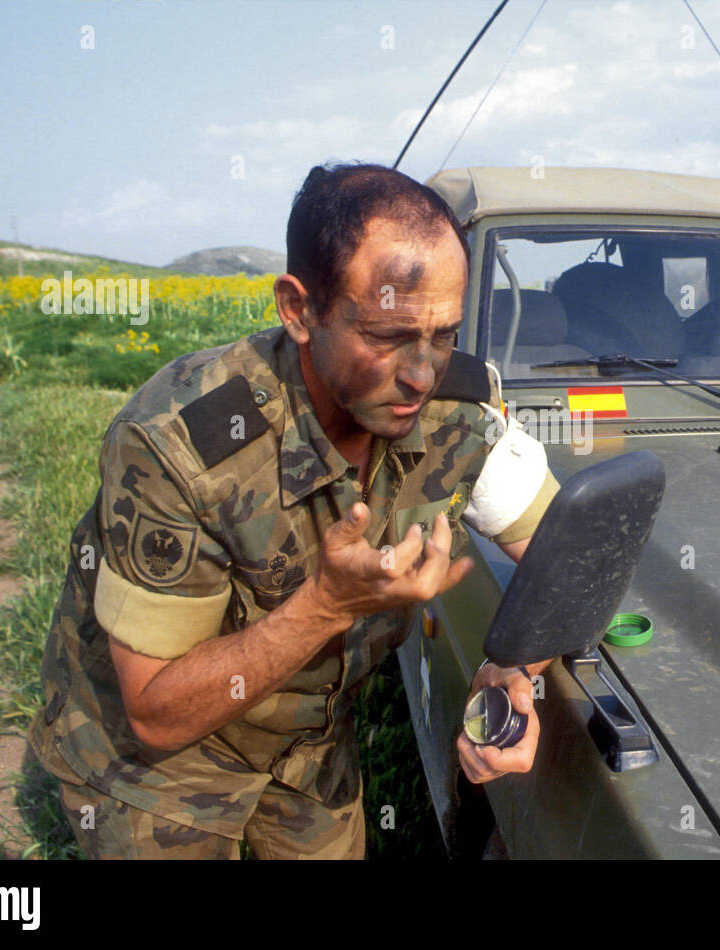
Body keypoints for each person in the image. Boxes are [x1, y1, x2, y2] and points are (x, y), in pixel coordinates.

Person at [27, 163, 560, 859]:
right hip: (153, 769)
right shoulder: (179, 441)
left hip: (311, 746)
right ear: (298, 309)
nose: (422, 375)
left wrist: (517, 671)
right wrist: (329, 606)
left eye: (443, 334)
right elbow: (155, 711)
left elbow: (569, 557)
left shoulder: (459, 412)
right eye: (388, 336)